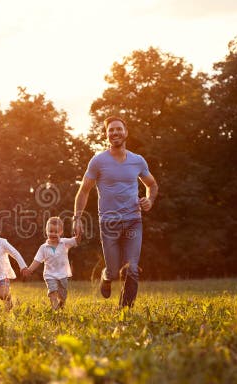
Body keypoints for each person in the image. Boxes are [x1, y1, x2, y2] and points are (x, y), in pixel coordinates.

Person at [73, 116, 158, 307]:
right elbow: (84, 190)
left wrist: (150, 200)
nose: (115, 133)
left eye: (118, 129)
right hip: (109, 223)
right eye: (111, 130)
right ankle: (106, 276)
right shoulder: (98, 161)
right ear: (106, 135)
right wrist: (76, 218)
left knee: (131, 269)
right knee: (113, 270)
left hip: (133, 220)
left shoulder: (138, 161)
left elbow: (152, 184)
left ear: (126, 132)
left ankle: (124, 311)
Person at [22, 216, 79, 310]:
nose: (53, 234)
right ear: (46, 231)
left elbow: (76, 240)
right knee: (52, 292)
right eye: (50, 231)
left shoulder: (64, 243)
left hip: (63, 274)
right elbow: (37, 260)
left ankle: (62, 303)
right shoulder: (43, 248)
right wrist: (29, 270)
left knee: (62, 295)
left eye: (56, 232)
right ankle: (55, 309)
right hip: (50, 275)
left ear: (61, 232)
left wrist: (79, 232)